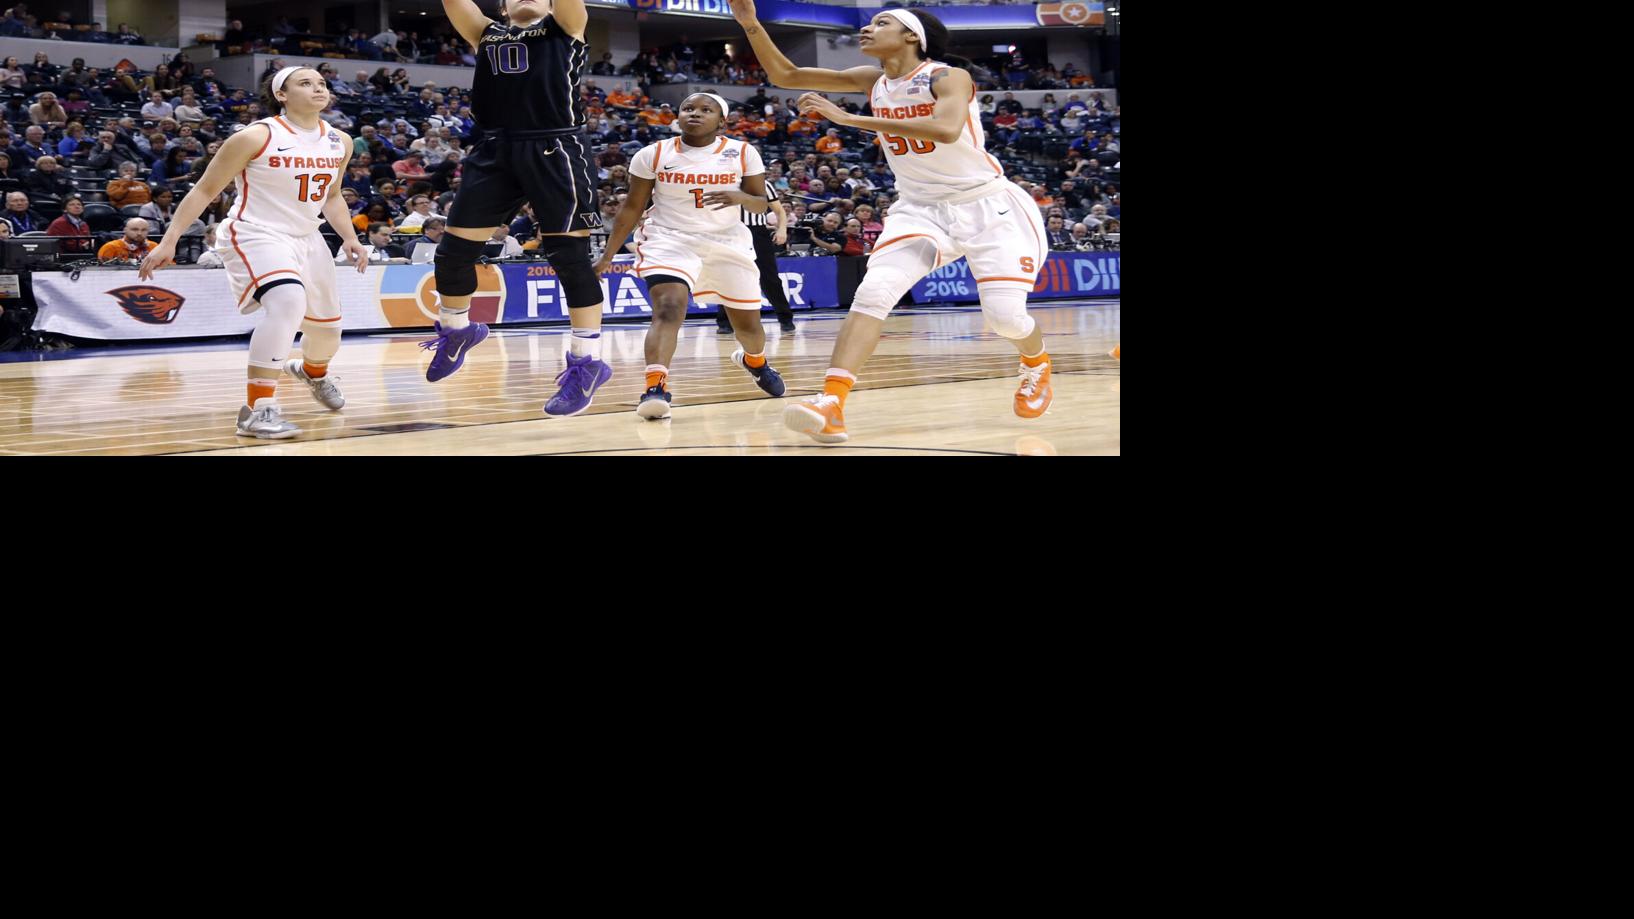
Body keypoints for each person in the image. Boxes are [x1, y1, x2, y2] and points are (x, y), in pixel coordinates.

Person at [731, 0, 1054, 444]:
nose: (867, 28)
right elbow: (785, 76)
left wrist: (849, 119)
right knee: (874, 291)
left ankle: (1036, 363)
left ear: (911, 36)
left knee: (1005, 319)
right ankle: (832, 403)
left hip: (989, 208)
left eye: (881, 22)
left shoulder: (947, 76)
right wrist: (749, 23)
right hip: (920, 208)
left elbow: (945, 129)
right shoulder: (873, 80)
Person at [139, 65, 370, 439]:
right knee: (287, 303)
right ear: (281, 94)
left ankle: (312, 372)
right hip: (256, 232)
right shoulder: (256, 136)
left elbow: (331, 196)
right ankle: (258, 409)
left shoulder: (340, 140)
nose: (318, 89)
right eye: (305, 83)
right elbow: (203, 190)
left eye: (322, 84)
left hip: (308, 239)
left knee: (328, 334)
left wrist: (350, 237)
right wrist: (169, 240)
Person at [425, 0, 613, 418]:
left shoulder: (565, 26)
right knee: (452, 254)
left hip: (556, 146)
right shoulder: (486, 32)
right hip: (494, 147)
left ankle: (588, 361)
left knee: (569, 259)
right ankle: (457, 331)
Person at [592, 92, 786, 420]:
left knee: (749, 326)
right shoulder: (652, 154)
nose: (694, 113)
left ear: (721, 121)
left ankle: (754, 361)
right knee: (668, 308)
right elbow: (633, 206)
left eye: (705, 110)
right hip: (669, 239)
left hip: (727, 242)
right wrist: (607, 254)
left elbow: (760, 204)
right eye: (688, 108)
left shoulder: (742, 153)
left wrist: (738, 195)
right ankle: (655, 387)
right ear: (678, 116)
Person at [714, 154, 795, 334]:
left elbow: (779, 211)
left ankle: (785, 317)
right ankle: (724, 322)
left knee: (769, 278)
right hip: (728, 233)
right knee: (727, 278)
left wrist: (782, 230)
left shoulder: (764, 185)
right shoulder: (721, 185)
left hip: (757, 233)